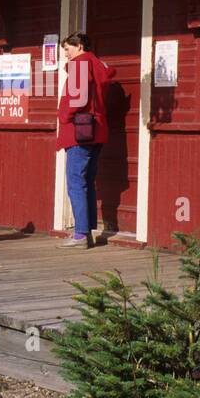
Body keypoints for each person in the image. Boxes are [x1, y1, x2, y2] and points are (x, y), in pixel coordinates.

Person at [56, 32, 114, 248]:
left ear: (79, 46)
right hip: (96, 130)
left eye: (67, 49)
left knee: (75, 182)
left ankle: (80, 234)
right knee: (87, 182)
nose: (66, 55)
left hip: (79, 131)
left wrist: (64, 115)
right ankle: (86, 231)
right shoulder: (97, 64)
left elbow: (78, 97)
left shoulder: (81, 63)